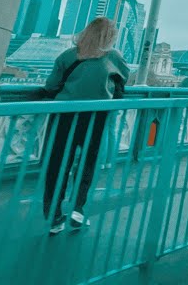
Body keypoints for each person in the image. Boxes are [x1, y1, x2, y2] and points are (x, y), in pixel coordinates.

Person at [41, 17, 129, 235]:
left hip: (64, 115)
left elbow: (51, 85)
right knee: (88, 161)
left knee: (58, 163)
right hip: (95, 117)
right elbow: (124, 79)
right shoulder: (114, 57)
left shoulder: (66, 56)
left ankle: (53, 216)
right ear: (109, 37)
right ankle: (78, 209)